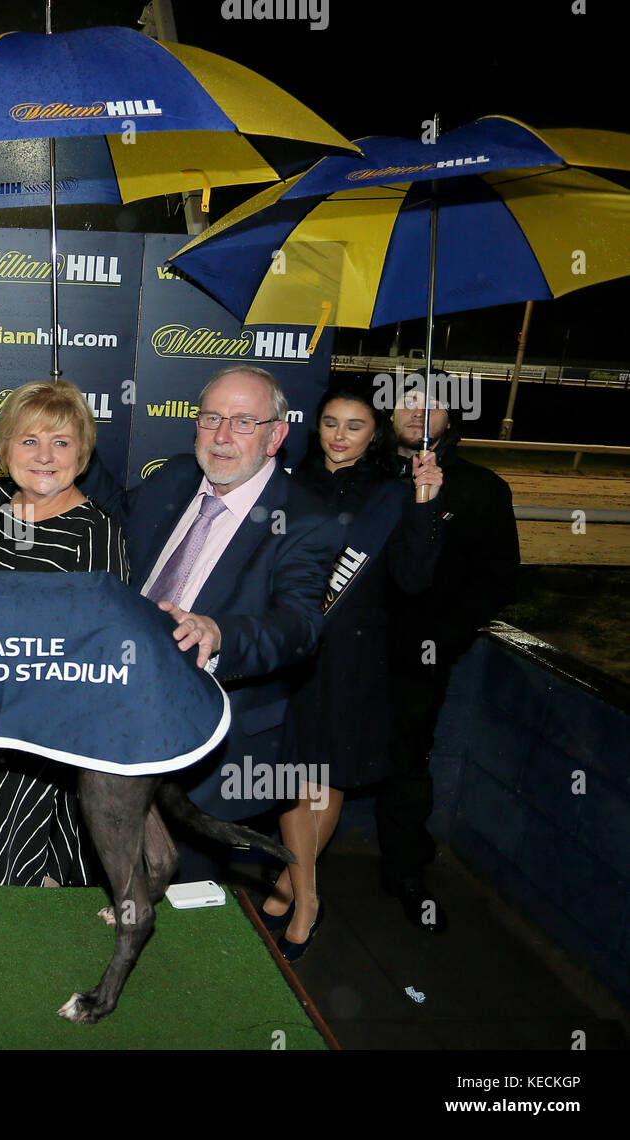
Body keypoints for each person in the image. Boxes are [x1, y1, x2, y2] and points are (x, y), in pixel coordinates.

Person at [81, 365, 342, 879]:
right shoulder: (177, 476)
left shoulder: (306, 519)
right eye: (211, 418)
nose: (222, 436)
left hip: (217, 755)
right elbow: (110, 513)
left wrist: (219, 633)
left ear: (277, 435)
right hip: (119, 733)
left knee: (192, 923)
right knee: (109, 890)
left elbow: (299, 626)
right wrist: (68, 429)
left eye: (244, 421)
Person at [259, 377, 442, 960]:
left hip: (357, 654)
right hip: (293, 648)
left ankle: (293, 885)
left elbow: (416, 580)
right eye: (331, 423)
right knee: (294, 773)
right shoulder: (285, 483)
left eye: (355, 425)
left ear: (376, 431)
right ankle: (307, 895)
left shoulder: (393, 492)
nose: (340, 436)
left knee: (327, 777)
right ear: (316, 427)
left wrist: (426, 505)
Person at [0, 379, 127, 888]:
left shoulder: (96, 532)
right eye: (29, 440)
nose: (44, 456)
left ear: (81, 454)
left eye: (60, 442)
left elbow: (107, 652)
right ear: (4, 449)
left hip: (40, 741)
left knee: (24, 892)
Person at [378, 382, 520, 932]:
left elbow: (498, 576)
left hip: (420, 656)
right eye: (406, 399)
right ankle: (296, 875)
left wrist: (446, 636)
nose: (417, 410)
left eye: (431, 401)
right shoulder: (363, 476)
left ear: (452, 414)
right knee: (317, 761)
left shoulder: (482, 488)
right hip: (345, 651)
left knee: (407, 765)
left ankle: (406, 873)